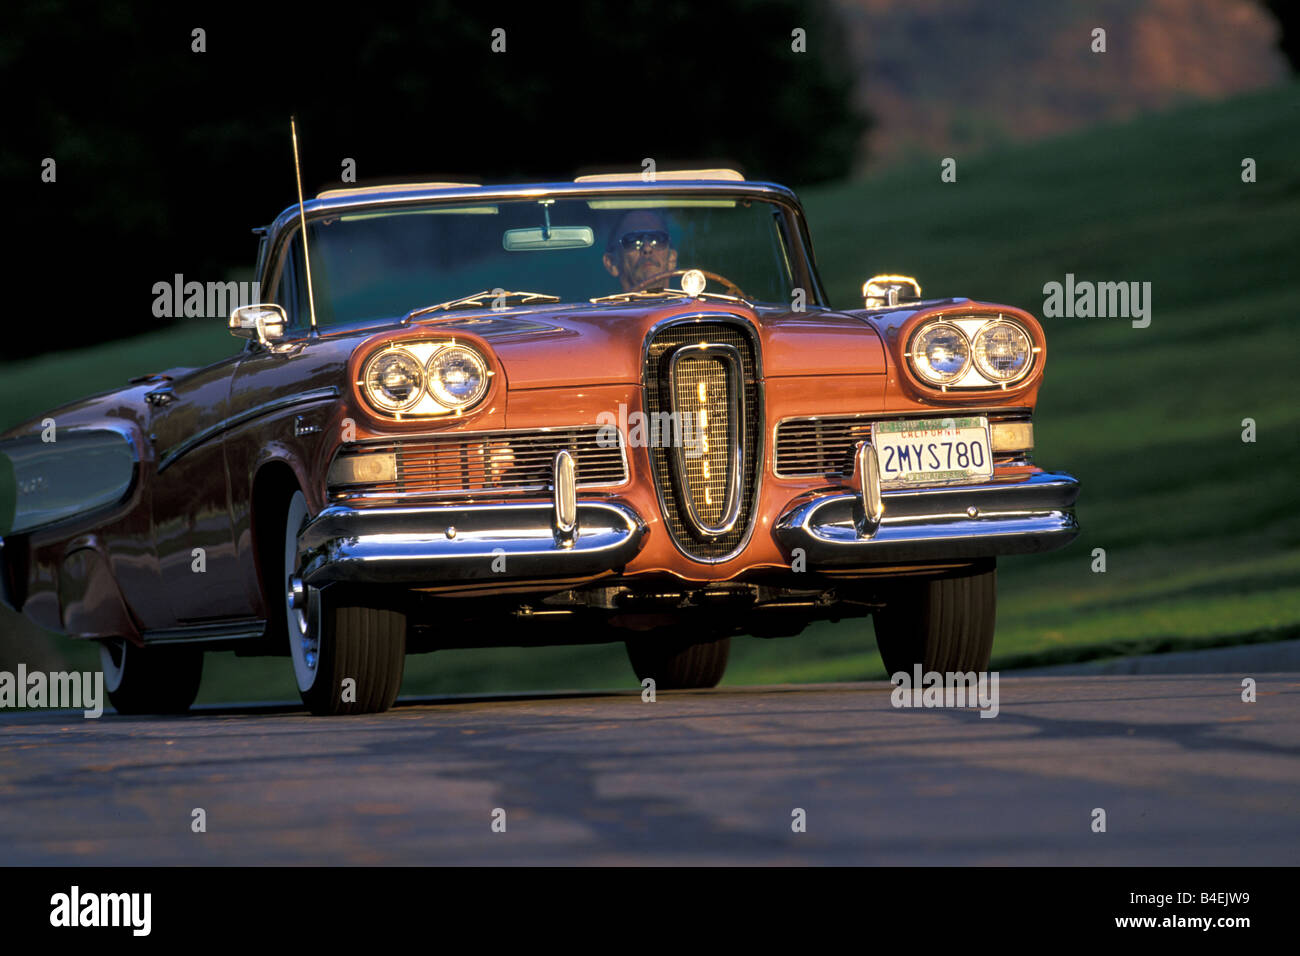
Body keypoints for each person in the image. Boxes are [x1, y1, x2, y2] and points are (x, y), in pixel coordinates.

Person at [602, 210, 678, 292]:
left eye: (657, 239)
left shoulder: (692, 304)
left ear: (672, 259)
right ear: (611, 263)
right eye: (633, 240)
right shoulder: (591, 305)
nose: (647, 248)